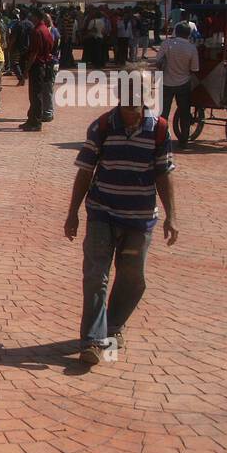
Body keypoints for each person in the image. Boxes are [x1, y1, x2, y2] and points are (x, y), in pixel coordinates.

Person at [66, 85, 179, 365]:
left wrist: (171, 216)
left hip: (139, 220)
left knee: (132, 277)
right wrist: (73, 212)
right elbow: (85, 171)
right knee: (96, 276)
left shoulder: (160, 130)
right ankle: (92, 340)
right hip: (102, 213)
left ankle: (113, 326)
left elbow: (163, 173)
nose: (132, 103)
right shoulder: (103, 126)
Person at [156, 22, 200, 147]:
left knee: (164, 113)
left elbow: (158, 61)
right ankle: (184, 140)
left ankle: (161, 138)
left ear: (176, 31)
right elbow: (195, 68)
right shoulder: (192, 48)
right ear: (189, 34)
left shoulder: (167, 43)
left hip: (166, 83)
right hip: (184, 83)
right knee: (184, 113)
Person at [20, 12, 57, 131]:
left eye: (32, 16)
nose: (30, 17)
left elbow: (34, 53)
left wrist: (26, 70)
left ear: (36, 17)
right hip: (44, 63)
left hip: (37, 65)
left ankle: (35, 122)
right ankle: (32, 119)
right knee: (37, 94)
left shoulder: (37, 31)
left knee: (35, 95)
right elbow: (52, 45)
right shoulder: (46, 29)